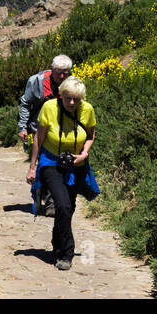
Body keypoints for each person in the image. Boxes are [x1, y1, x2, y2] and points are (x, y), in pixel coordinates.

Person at [26, 75, 99, 270]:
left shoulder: (87, 110)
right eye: (68, 98)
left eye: (76, 99)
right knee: (63, 206)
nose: (72, 102)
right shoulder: (49, 108)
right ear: (61, 95)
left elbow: (91, 135)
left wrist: (84, 154)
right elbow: (38, 139)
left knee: (68, 208)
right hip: (51, 162)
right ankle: (66, 254)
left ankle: (57, 241)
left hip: (75, 164)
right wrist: (32, 167)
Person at [19, 55, 73, 216]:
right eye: (59, 73)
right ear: (52, 69)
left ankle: (52, 201)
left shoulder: (72, 83)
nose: (62, 76)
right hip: (39, 129)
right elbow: (25, 104)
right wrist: (22, 127)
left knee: (57, 166)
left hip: (62, 131)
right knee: (44, 165)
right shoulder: (36, 81)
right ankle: (43, 194)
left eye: (65, 73)